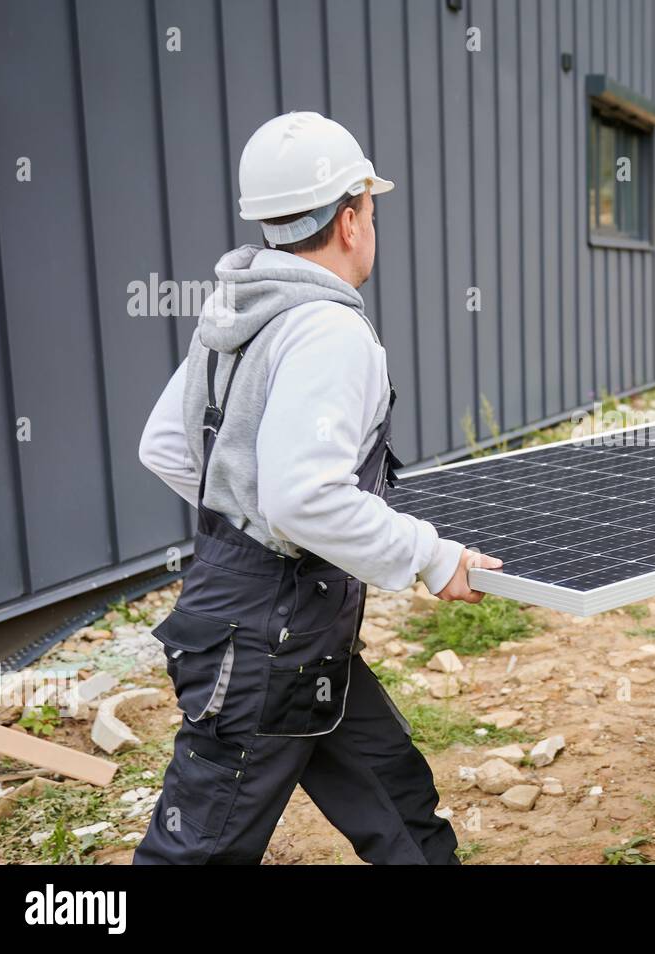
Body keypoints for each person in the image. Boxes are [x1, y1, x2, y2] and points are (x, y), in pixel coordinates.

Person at [134, 112, 501, 861]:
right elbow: (303, 498)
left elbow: (167, 447)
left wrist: (250, 533)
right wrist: (434, 558)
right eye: (370, 206)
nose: (372, 221)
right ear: (348, 219)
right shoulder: (330, 331)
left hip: (277, 622)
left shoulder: (239, 311)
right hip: (264, 642)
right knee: (196, 852)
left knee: (397, 798)